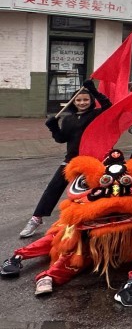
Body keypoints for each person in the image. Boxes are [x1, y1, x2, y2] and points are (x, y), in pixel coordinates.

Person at [19, 80, 112, 239]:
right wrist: (53, 127)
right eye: (78, 100)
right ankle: (36, 218)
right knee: (53, 187)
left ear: (90, 101)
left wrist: (94, 91)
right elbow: (61, 139)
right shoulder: (68, 119)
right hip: (72, 159)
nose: (82, 102)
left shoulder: (96, 114)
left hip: (92, 159)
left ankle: (95, 219)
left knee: (93, 191)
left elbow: (108, 106)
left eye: (85, 99)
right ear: (74, 102)